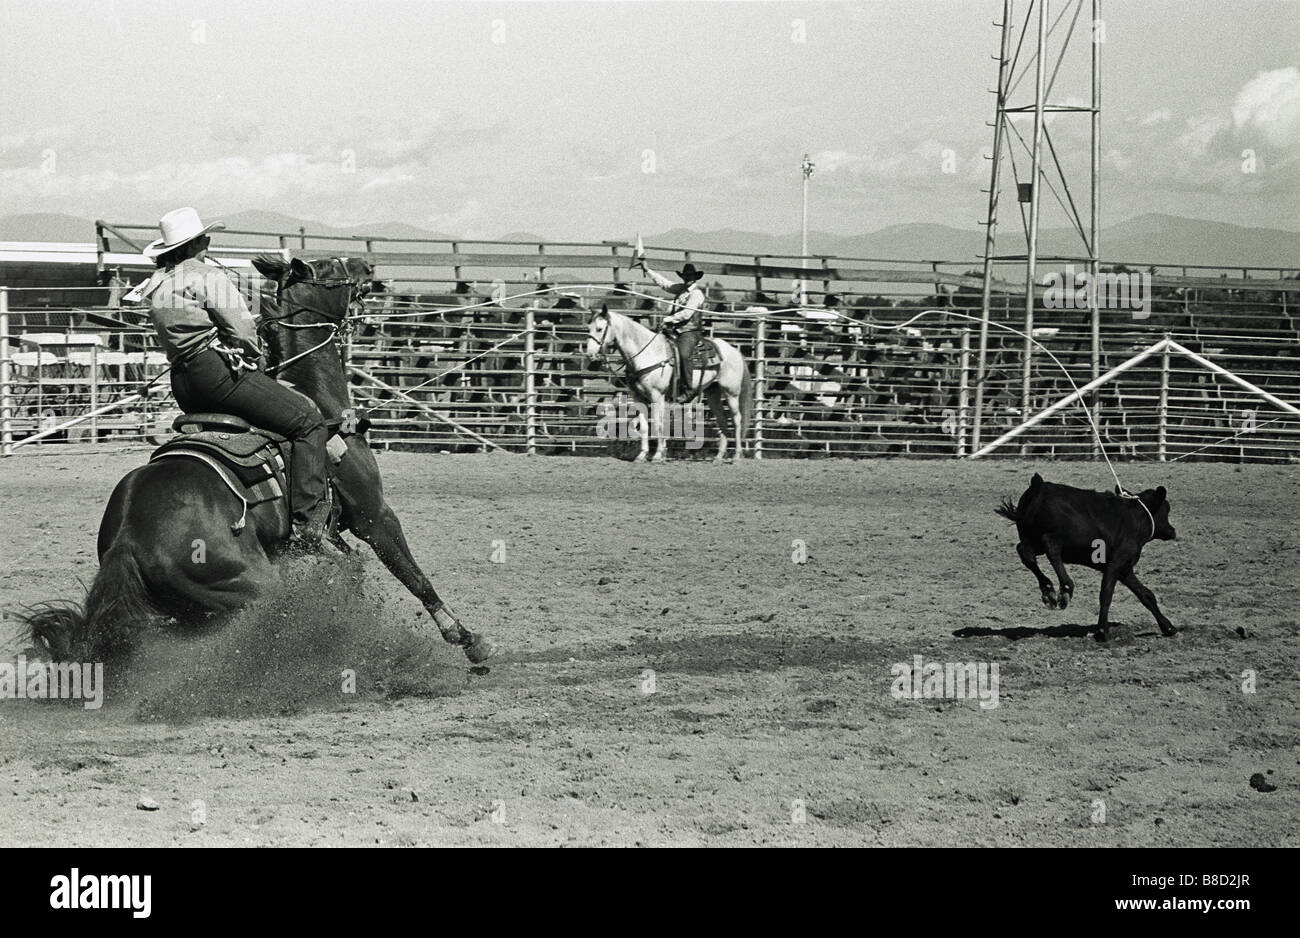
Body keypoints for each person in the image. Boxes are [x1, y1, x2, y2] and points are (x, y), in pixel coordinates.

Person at [134, 207, 333, 554]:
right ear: (200, 242)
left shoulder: (158, 284)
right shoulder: (206, 275)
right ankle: (307, 524)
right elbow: (242, 329)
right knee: (308, 423)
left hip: (183, 384)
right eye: (205, 239)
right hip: (217, 374)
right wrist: (253, 355)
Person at [639, 259, 707, 395]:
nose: (687, 278)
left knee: (683, 354)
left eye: (690, 276)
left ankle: (688, 389)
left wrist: (667, 319)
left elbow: (687, 314)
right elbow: (664, 284)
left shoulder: (696, 294)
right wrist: (648, 270)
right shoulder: (681, 289)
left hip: (690, 331)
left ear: (695, 278)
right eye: (685, 276)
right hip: (675, 330)